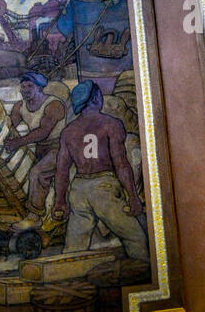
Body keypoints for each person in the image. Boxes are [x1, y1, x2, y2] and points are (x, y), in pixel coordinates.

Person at [52, 80, 149, 261]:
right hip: (103, 188)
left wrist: (60, 201)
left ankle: (71, 278)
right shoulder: (111, 124)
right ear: (96, 97)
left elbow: (62, 170)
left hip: (78, 190)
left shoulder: (68, 131)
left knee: (74, 248)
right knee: (136, 238)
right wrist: (133, 196)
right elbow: (121, 164)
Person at [4, 72, 66, 223]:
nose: (25, 89)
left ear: (39, 88)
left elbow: (43, 132)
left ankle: (35, 216)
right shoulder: (20, 106)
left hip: (60, 148)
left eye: (29, 86)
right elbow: (10, 127)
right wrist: (6, 137)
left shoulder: (53, 105)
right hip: (40, 148)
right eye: (23, 86)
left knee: (37, 173)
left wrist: (18, 142)